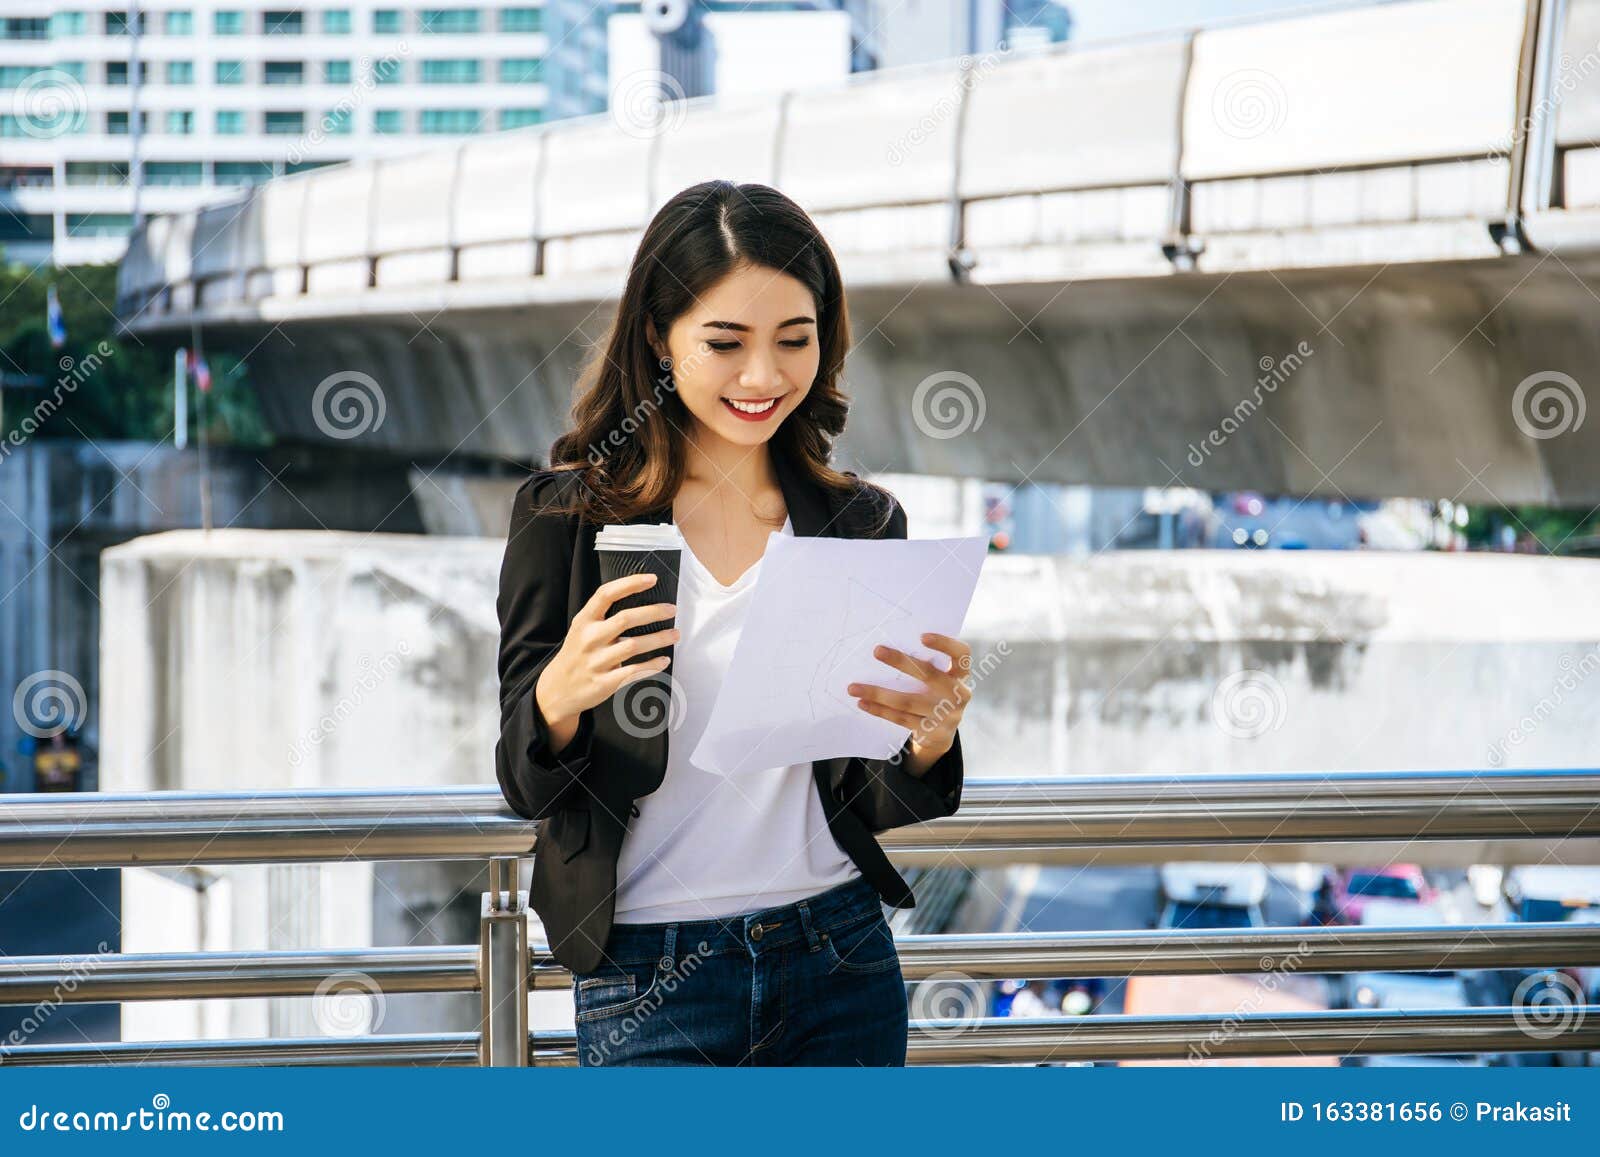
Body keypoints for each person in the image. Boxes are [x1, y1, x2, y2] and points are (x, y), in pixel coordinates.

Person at [494, 180, 976, 1066]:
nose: (764, 377)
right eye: (725, 342)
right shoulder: (565, 520)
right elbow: (524, 782)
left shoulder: (860, 523)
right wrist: (559, 695)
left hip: (838, 951)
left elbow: (873, 793)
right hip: (647, 971)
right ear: (657, 336)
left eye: (795, 341)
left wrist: (929, 738)